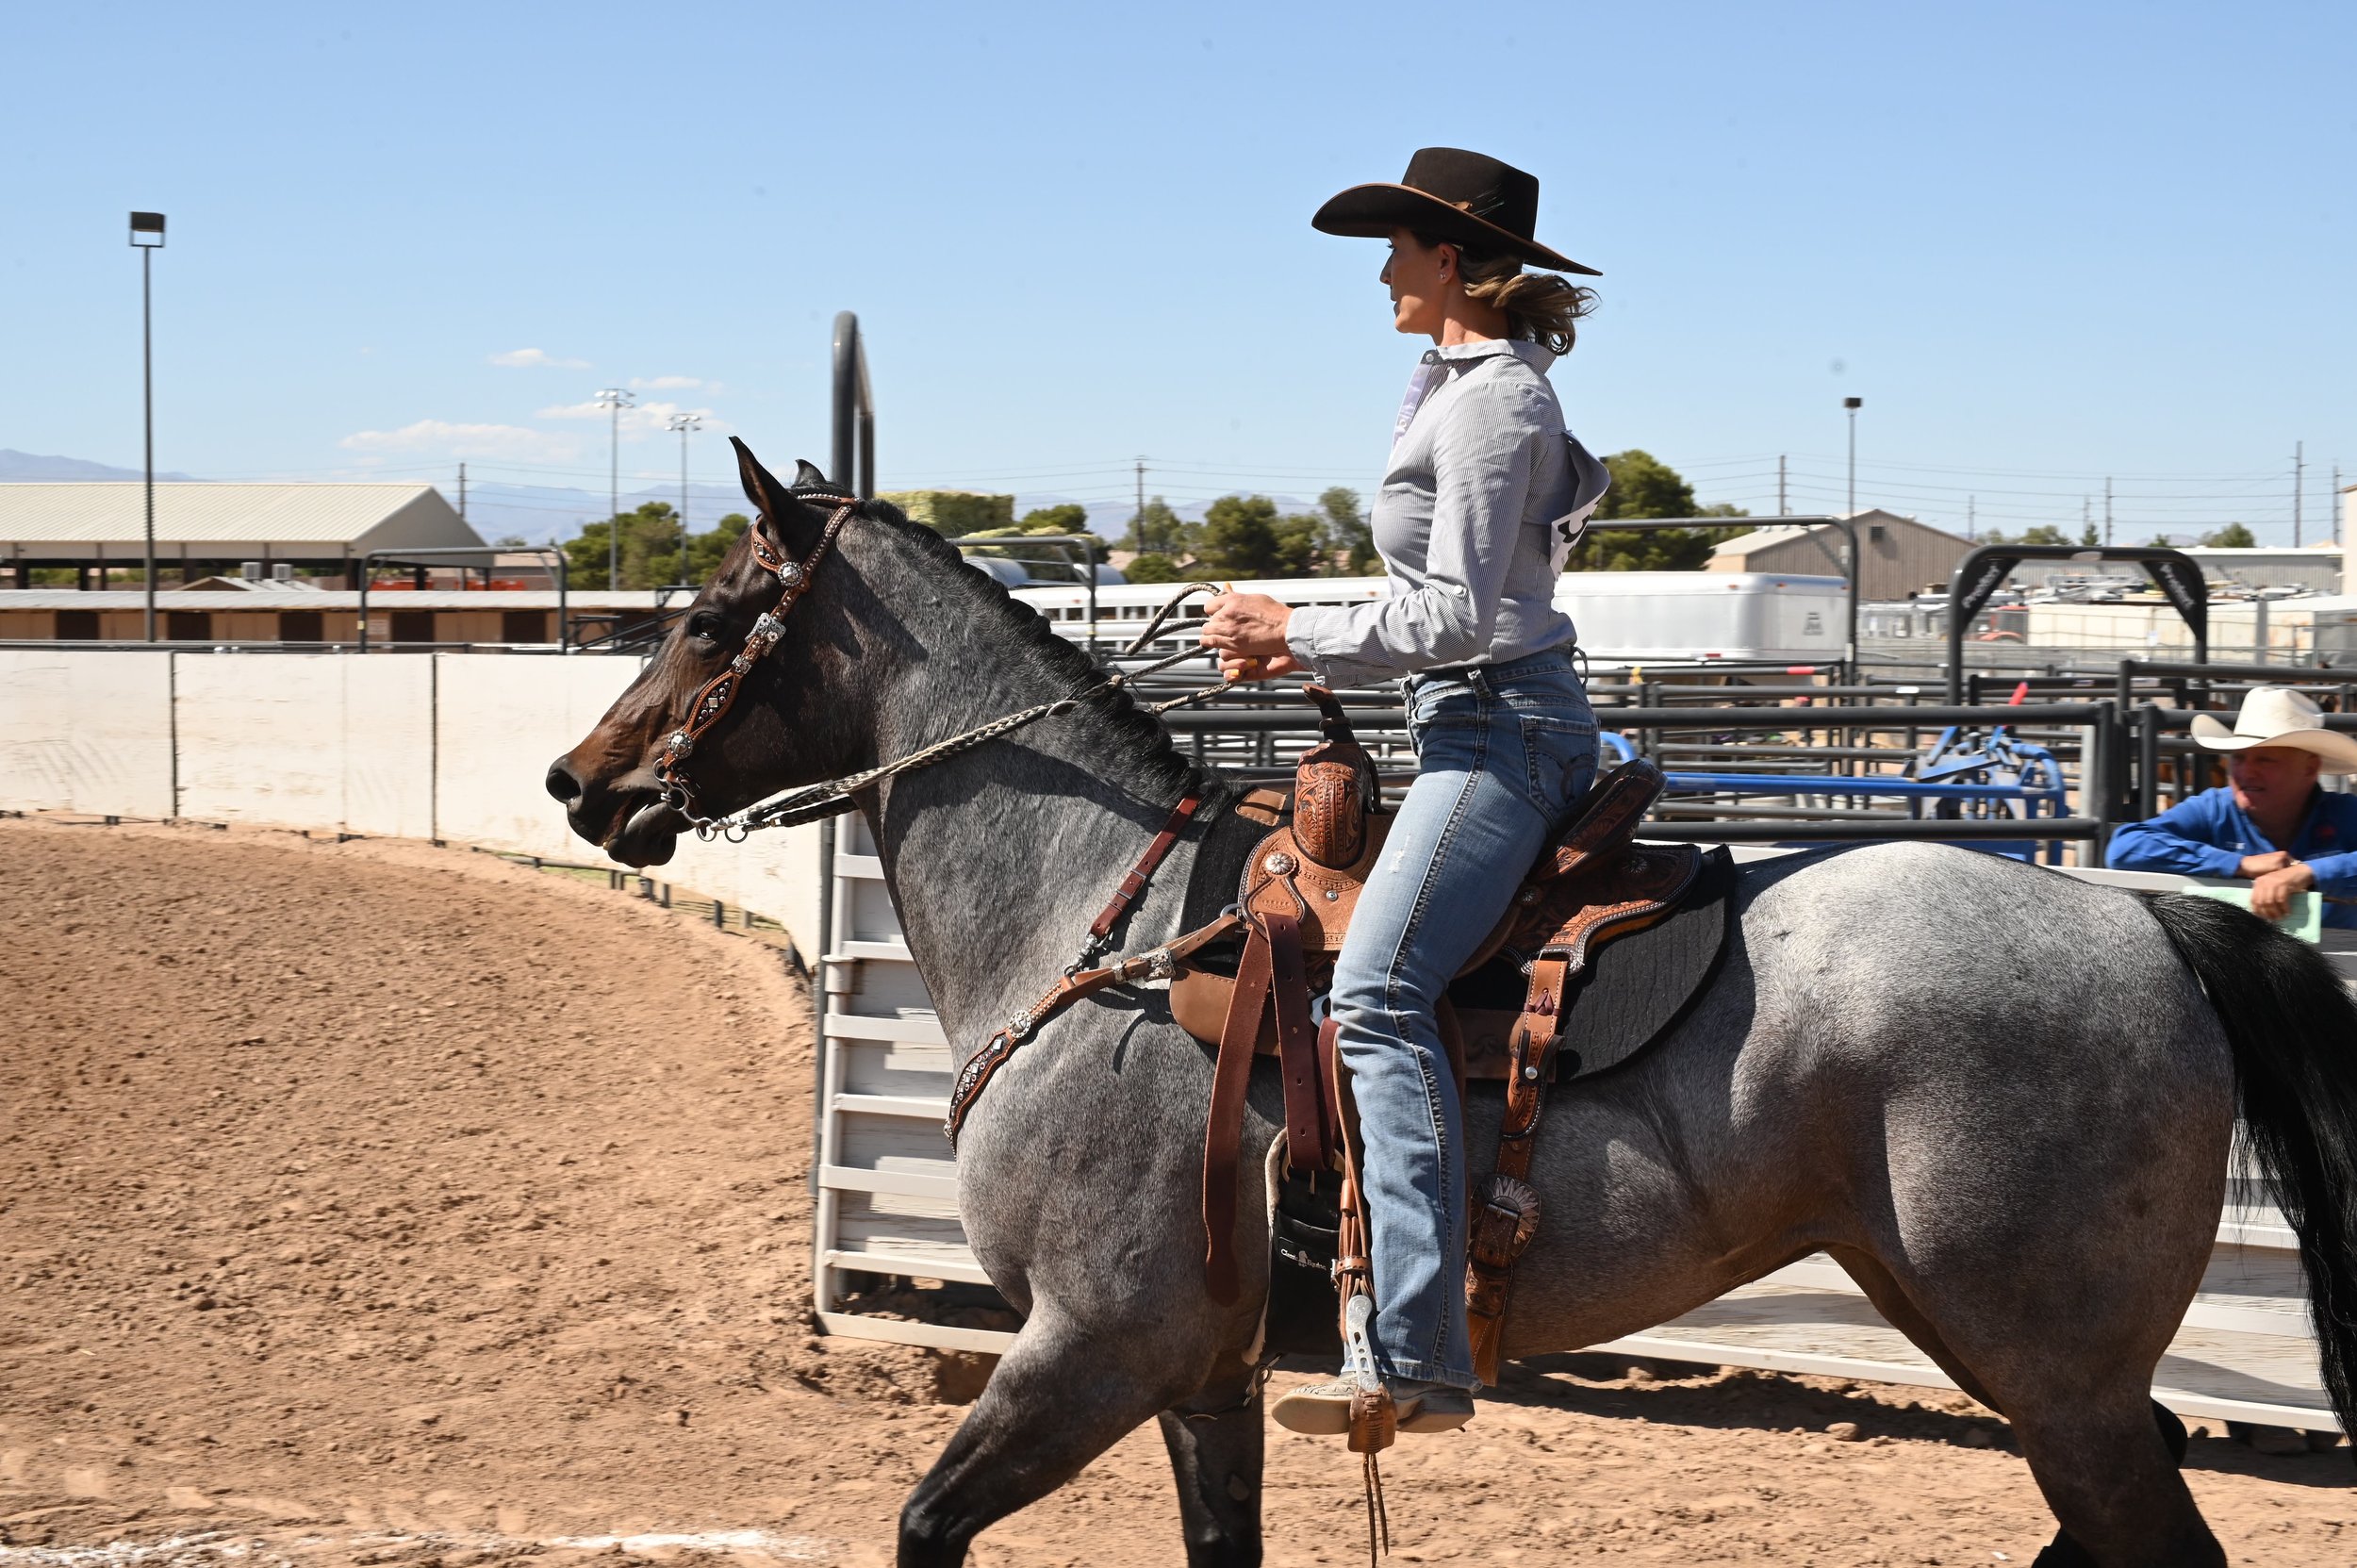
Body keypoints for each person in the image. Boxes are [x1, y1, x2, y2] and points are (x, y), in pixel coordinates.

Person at [1197, 148, 1610, 1435]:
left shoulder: (1491, 403)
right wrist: (1295, 648)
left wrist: (1294, 625)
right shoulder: (1459, 386)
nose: (1380, 270)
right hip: (1476, 719)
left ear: (1450, 259)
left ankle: (1415, 1350)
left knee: (1376, 994)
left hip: (1499, 731)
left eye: (1395, 247)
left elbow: (1459, 616)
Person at [2106, 685, 2357, 925]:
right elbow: (2124, 847)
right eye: (2238, 757)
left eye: (2265, 760)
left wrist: (2308, 873)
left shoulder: (2345, 812)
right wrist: (2239, 864)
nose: (2246, 772)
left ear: (2309, 768)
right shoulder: (2214, 808)